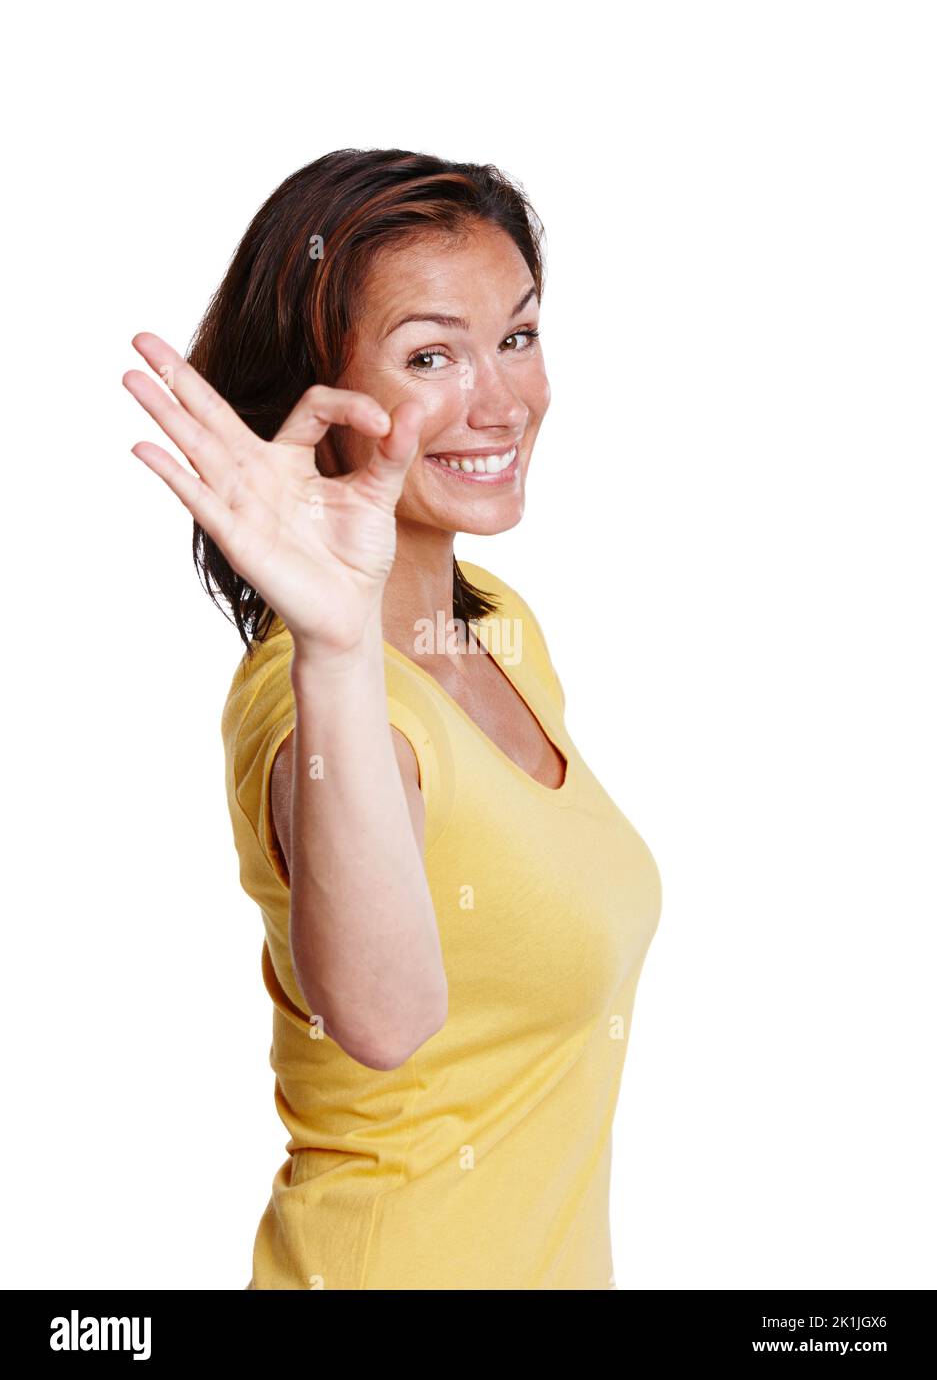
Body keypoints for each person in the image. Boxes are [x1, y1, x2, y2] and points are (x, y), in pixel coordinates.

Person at [122, 148, 663, 1290]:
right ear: (318, 403)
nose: (503, 398)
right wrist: (329, 640)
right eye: (431, 355)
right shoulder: (306, 699)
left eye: (515, 335)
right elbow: (382, 1016)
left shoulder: (495, 626)